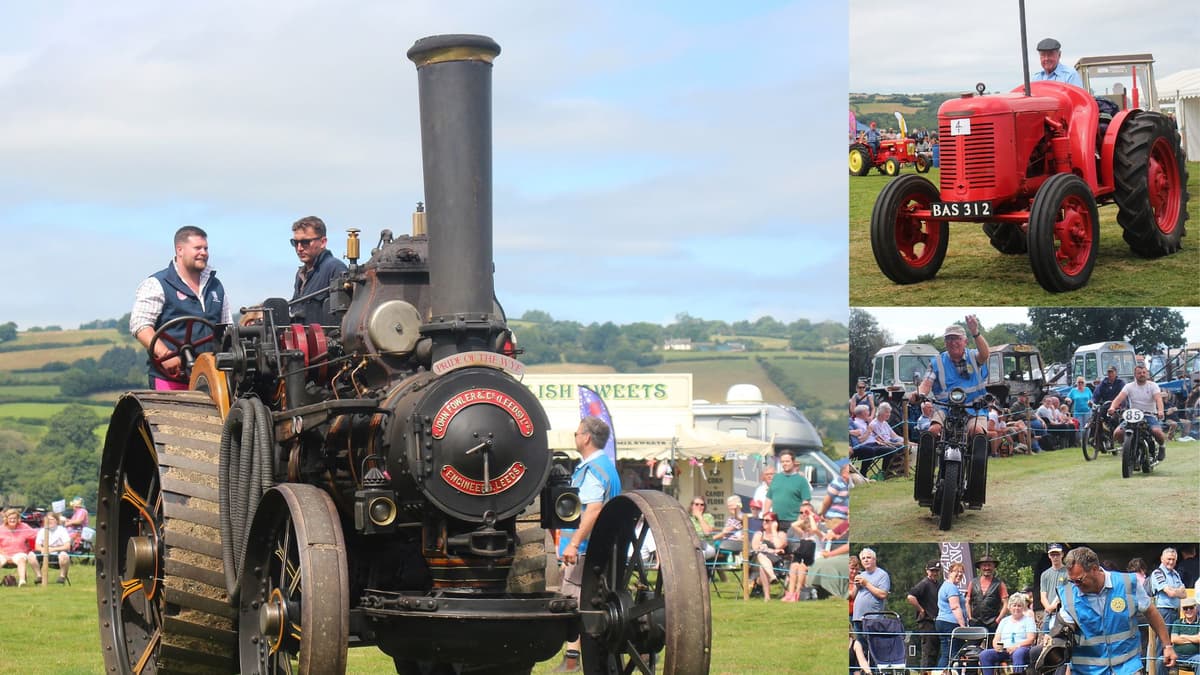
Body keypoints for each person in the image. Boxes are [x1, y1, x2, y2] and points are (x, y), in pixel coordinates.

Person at [554, 417, 621, 673]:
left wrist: (574, 544)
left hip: (584, 552)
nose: (574, 435)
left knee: (573, 606)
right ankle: (574, 657)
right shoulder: (606, 467)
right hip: (595, 548)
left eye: (577, 432)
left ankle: (572, 660)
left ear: (586, 438)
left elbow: (592, 510)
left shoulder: (593, 470)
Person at [1045, 545, 1177, 673]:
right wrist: (1054, 641)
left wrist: (1167, 646)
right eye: (1072, 581)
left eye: (1079, 580)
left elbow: (1151, 612)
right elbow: (1062, 633)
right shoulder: (1069, 595)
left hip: (1127, 667)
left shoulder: (1127, 584)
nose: (1076, 585)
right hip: (1087, 670)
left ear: (1095, 569)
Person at [130, 226, 232, 389]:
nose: (204, 253)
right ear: (180, 250)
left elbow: (227, 328)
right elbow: (140, 325)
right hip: (171, 379)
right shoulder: (157, 284)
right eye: (197, 248)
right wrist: (165, 354)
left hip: (211, 378)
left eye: (206, 248)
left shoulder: (215, 286)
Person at [911, 317, 991, 437]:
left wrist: (975, 332)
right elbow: (926, 384)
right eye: (949, 339)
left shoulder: (974, 357)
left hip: (974, 407)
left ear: (965, 341)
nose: (953, 342)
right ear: (945, 342)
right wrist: (919, 394)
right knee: (933, 431)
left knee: (977, 432)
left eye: (957, 338)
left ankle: (977, 455)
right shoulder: (937, 362)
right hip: (945, 408)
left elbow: (985, 355)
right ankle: (928, 455)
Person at [290, 216, 349, 326]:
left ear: (323, 242)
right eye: (295, 242)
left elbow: (343, 319)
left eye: (305, 242)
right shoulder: (300, 275)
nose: (299, 248)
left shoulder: (336, 269)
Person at [1109, 363, 1166, 460]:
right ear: (1135, 375)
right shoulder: (1129, 386)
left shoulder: (1153, 386)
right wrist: (1112, 407)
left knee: (1157, 432)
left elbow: (1158, 399)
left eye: (1144, 372)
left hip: (1149, 415)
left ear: (1147, 374)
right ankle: (1127, 447)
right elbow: (1119, 398)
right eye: (1139, 373)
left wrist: (1160, 411)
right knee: (1117, 433)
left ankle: (1162, 446)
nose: (1142, 374)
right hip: (1132, 415)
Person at [978, 592, 1037, 675]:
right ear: (1009, 607)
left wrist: (1016, 646)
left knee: (1018, 653)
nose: (1016, 608)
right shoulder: (1004, 621)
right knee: (984, 654)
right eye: (1014, 605)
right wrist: (997, 646)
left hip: (1021, 649)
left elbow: (1031, 639)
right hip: (1004, 649)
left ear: (1023, 607)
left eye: (1019, 606)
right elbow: (996, 639)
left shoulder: (1028, 620)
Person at [1150, 547, 1188, 662]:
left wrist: (1174, 591)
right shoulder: (1158, 573)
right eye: (1168, 559)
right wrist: (1177, 591)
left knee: (1172, 644)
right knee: (1162, 644)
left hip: (1175, 612)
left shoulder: (1175, 574)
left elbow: (1184, 594)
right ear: (1162, 559)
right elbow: (1170, 593)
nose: (1171, 562)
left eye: (1173, 560)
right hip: (1163, 612)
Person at [907, 559, 944, 672]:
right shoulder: (924, 583)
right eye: (932, 570)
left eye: (937, 571)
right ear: (927, 570)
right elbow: (910, 597)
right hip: (927, 623)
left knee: (934, 653)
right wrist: (921, 609)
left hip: (935, 623)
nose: (935, 573)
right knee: (928, 653)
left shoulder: (938, 584)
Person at [762, 450, 812, 533]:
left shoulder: (801, 480)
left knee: (792, 544)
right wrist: (765, 516)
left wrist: (801, 519)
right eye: (782, 462)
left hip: (793, 521)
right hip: (775, 520)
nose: (785, 464)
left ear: (793, 462)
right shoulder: (776, 478)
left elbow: (806, 502)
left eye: (787, 461)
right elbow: (769, 498)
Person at [936, 561, 970, 672]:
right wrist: (962, 626)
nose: (959, 574)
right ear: (949, 572)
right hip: (951, 624)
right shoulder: (951, 588)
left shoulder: (944, 586)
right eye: (956, 571)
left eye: (961, 572)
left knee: (947, 653)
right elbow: (955, 607)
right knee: (953, 654)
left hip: (942, 622)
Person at [968, 554, 1011, 637]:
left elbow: (1006, 604)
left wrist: (998, 620)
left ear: (994, 567)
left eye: (989, 565)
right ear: (980, 567)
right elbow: (967, 602)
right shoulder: (972, 583)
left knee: (992, 648)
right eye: (984, 565)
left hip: (992, 622)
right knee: (972, 646)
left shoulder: (1000, 584)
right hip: (976, 622)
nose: (987, 568)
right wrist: (970, 618)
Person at [851, 548, 891, 636]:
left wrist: (866, 584)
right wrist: (857, 586)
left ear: (874, 559)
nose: (866, 560)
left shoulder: (882, 575)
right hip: (857, 617)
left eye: (868, 557)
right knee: (860, 646)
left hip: (873, 618)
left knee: (873, 646)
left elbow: (883, 594)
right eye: (863, 558)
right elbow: (853, 595)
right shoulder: (861, 575)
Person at [750, 512, 789, 602]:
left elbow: (779, 545)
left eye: (767, 520)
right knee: (760, 556)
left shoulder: (781, 534)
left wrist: (774, 531)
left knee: (762, 566)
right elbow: (755, 548)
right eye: (762, 520)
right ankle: (772, 576)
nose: (764, 522)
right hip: (756, 562)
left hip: (776, 563)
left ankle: (767, 597)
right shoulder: (759, 534)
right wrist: (772, 551)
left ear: (774, 522)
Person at [0, 508, 39, 586]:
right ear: (6, 519)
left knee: (21, 559)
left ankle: (22, 581)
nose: (12, 520)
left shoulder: (23, 527)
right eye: (10, 518)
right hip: (3, 553)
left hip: (19, 553)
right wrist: (5, 555)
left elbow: (36, 535)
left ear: (18, 519)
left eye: (14, 518)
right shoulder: (1, 529)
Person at [32, 511, 71, 584]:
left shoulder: (62, 530)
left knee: (64, 556)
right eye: (48, 519)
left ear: (57, 521)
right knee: (31, 555)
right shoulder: (42, 531)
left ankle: (62, 577)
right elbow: (37, 546)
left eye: (52, 519)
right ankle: (39, 576)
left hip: (58, 553)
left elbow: (67, 546)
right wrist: (43, 549)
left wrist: (53, 549)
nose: (49, 521)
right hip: (44, 553)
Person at [1040, 544, 1069, 631]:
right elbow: (1043, 595)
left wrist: (1054, 606)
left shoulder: (1068, 572)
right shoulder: (1045, 574)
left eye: (1057, 554)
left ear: (1062, 554)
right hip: (1048, 615)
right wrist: (1048, 608)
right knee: (1046, 640)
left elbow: (1067, 593)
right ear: (1049, 556)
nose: (1055, 557)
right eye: (1052, 554)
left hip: (1062, 614)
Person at [818, 459, 851, 530]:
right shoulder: (837, 484)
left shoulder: (848, 485)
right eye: (849, 472)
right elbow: (826, 501)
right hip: (836, 519)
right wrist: (823, 514)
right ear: (844, 474)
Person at [1172, 597, 1200, 670]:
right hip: (1176, 655)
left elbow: (1199, 639)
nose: (1188, 610)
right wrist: (1193, 638)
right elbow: (1174, 639)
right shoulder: (1177, 622)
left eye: (1191, 607)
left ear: (1196, 608)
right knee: (1160, 660)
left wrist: (1183, 636)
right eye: (1185, 608)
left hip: (1195, 656)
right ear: (1182, 610)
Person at [688, 496, 716, 561]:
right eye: (696, 504)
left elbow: (707, 533)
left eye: (702, 505)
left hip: (707, 545)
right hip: (691, 545)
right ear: (692, 506)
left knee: (699, 554)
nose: (699, 507)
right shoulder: (687, 517)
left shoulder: (708, 516)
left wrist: (700, 517)